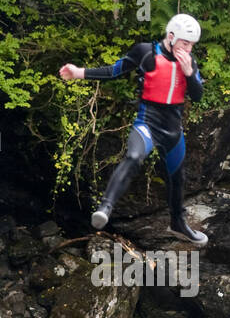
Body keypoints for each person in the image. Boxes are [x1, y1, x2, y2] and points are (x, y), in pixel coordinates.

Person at [59, 13, 208, 245]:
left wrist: (189, 73)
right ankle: (105, 208)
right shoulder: (145, 52)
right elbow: (114, 71)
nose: (188, 49)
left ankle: (178, 224)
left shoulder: (190, 63)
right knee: (134, 156)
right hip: (148, 122)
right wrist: (79, 73)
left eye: (192, 45)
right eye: (185, 43)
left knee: (177, 177)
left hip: (173, 129)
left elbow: (198, 96)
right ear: (171, 37)